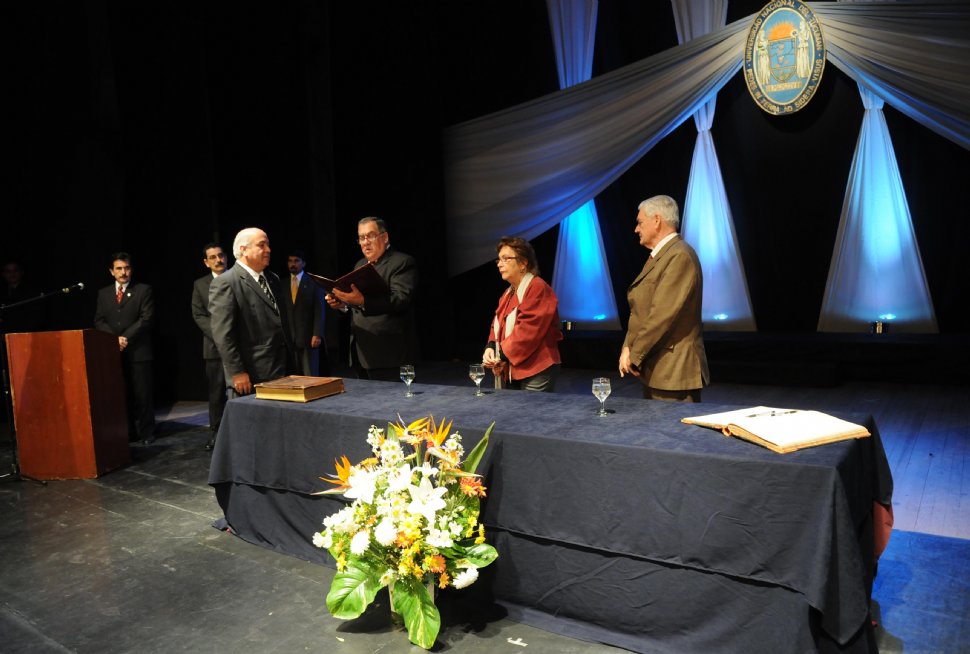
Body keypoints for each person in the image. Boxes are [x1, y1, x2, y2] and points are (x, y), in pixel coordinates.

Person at [618, 195, 709, 402]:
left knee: (671, 434)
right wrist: (628, 345)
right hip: (659, 369)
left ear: (657, 220)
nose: (636, 229)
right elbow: (641, 310)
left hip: (675, 372)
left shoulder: (679, 256)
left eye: (640, 222)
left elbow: (661, 315)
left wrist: (634, 354)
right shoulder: (660, 257)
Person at [325, 217, 417, 381]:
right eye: (361, 238)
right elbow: (357, 305)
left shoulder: (401, 262)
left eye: (370, 236)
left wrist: (361, 301)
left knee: (395, 406)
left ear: (385, 237)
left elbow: (400, 300)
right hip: (360, 353)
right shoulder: (359, 265)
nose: (365, 242)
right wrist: (342, 304)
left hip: (388, 356)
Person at [209, 228, 293, 400]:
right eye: (262, 245)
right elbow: (223, 335)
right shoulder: (226, 283)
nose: (268, 250)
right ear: (243, 250)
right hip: (252, 376)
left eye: (268, 245)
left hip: (283, 370)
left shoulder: (273, 279)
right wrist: (237, 372)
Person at [482, 237, 562, 391]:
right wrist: (491, 346)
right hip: (511, 368)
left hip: (536, 368)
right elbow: (497, 324)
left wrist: (500, 355)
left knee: (529, 415)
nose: (499, 264)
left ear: (523, 262)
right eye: (498, 260)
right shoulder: (508, 293)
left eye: (505, 259)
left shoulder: (537, 288)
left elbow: (528, 331)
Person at [94, 252, 155, 443]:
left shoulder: (143, 290)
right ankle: (128, 433)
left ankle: (147, 433)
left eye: (127, 268)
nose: (123, 272)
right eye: (119, 269)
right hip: (114, 352)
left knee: (142, 394)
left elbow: (146, 319)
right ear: (111, 272)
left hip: (138, 351)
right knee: (122, 394)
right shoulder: (103, 294)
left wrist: (124, 338)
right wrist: (114, 339)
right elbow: (99, 320)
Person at [191, 243, 229, 451]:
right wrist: (219, 335)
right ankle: (216, 433)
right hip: (214, 347)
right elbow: (198, 314)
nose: (218, 260)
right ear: (206, 262)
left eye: (220, 255)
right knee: (216, 393)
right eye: (212, 257)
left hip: (239, 347)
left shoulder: (236, 278)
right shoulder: (200, 284)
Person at [284, 249, 329, 376]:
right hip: (290, 338)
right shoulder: (281, 284)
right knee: (294, 376)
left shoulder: (313, 283)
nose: (293, 264)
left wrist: (317, 333)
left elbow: (320, 309)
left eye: (296, 261)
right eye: (290, 261)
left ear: (303, 263)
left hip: (308, 337)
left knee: (310, 374)